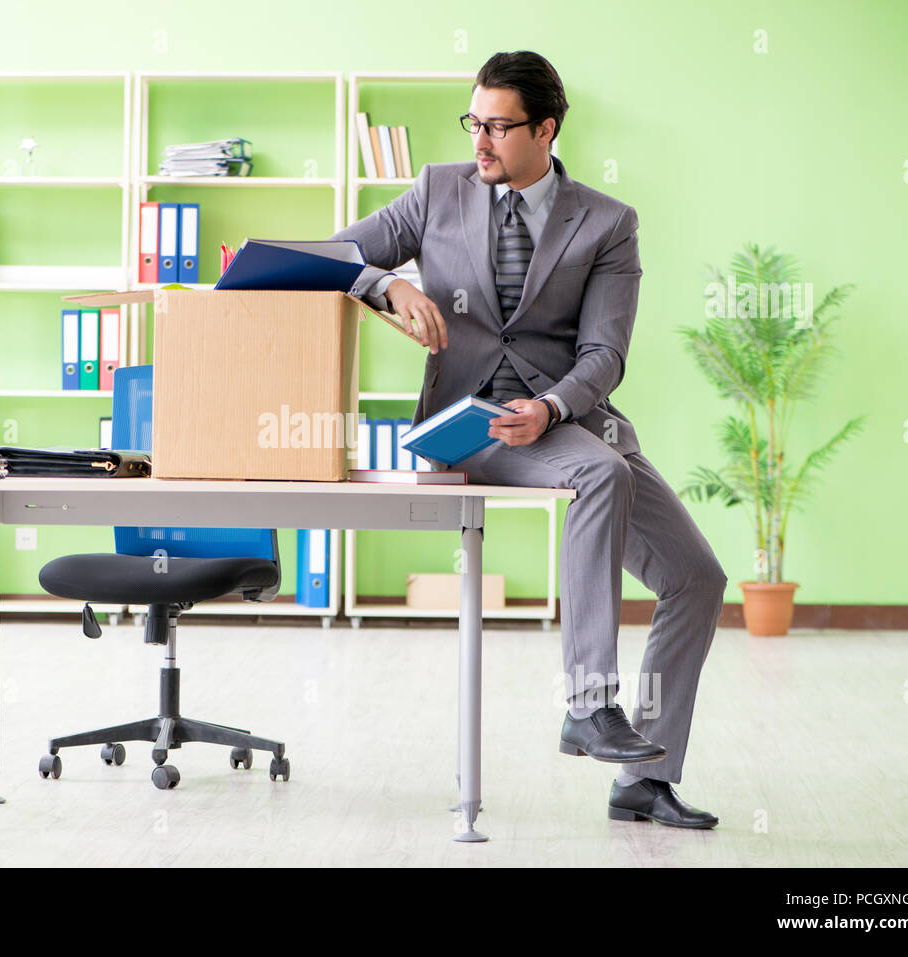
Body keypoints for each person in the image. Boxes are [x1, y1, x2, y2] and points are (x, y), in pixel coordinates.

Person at [333, 50, 726, 828]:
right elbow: (329, 255)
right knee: (600, 476)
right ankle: (588, 702)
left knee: (696, 578)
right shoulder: (437, 190)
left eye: (499, 126)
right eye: (472, 121)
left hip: (569, 419)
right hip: (467, 421)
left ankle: (644, 778)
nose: (479, 140)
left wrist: (550, 407)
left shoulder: (608, 223)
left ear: (546, 129)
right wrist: (389, 281)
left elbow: (604, 354)